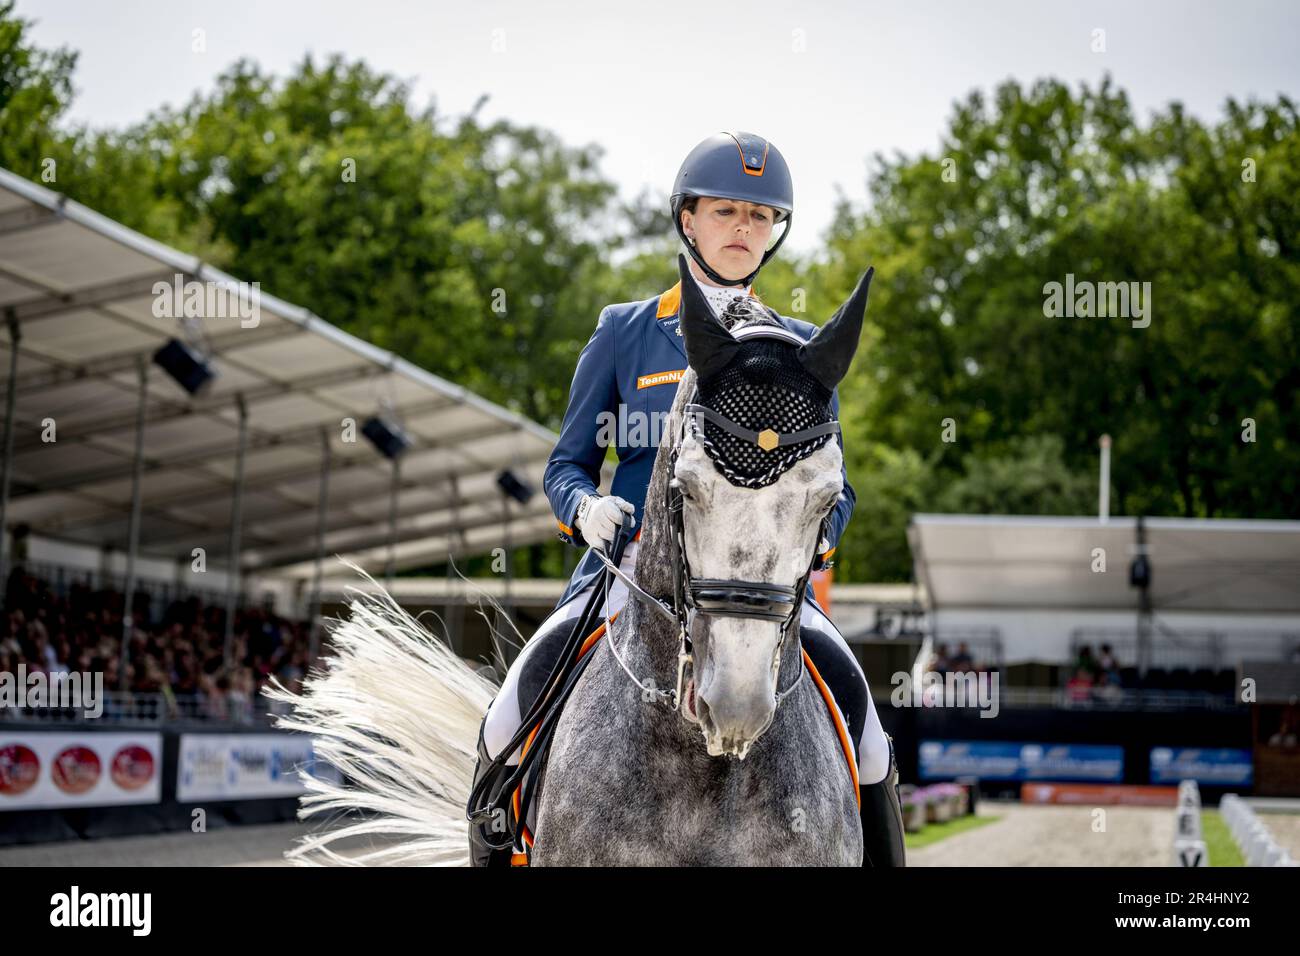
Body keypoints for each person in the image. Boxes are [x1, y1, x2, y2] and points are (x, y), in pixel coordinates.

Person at [470, 131, 903, 867]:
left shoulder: (802, 347)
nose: (744, 229)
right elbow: (567, 465)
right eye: (727, 211)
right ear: (687, 220)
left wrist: (816, 539)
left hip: (762, 585)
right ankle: (491, 838)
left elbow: (839, 484)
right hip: (633, 573)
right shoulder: (625, 331)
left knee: (863, 727)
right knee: (511, 705)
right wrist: (584, 509)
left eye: (761, 218)